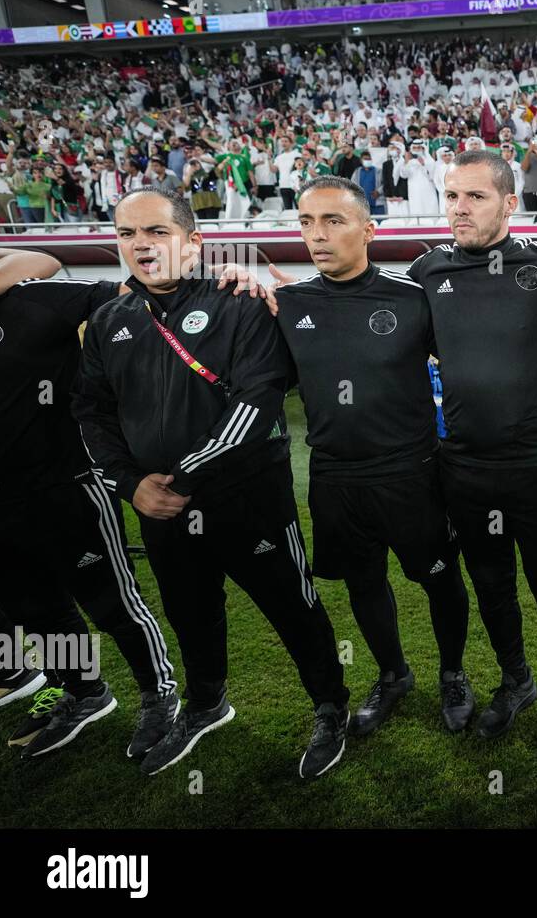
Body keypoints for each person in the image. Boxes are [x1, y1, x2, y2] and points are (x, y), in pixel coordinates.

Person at [72, 187, 351, 778]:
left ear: (192, 242)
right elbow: (91, 413)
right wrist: (131, 486)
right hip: (160, 508)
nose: (141, 247)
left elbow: (259, 400)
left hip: (247, 499)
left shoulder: (239, 302)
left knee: (293, 607)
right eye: (127, 235)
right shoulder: (107, 321)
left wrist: (176, 478)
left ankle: (331, 707)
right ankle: (205, 705)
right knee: (191, 612)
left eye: (156, 233)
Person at [219, 175, 482, 738]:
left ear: (368, 229)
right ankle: (393, 675)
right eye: (307, 222)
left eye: (333, 221)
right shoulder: (283, 306)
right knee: (363, 583)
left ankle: (453, 674)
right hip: (334, 476)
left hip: (412, 473)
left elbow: (478, 360)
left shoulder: (413, 298)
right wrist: (235, 279)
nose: (318, 234)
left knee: (438, 577)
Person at [407, 151, 537, 750]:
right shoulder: (425, 273)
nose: (458, 209)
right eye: (452, 196)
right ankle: (517, 681)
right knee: (491, 586)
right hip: (463, 468)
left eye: (474, 197)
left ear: (510, 204)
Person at [0, 248, 177, 759]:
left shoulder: (33, 298)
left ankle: (159, 697)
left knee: (112, 602)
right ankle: (84, 691)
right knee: (36, 609)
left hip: (66, 485)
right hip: (0, 503)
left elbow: (130, 297)